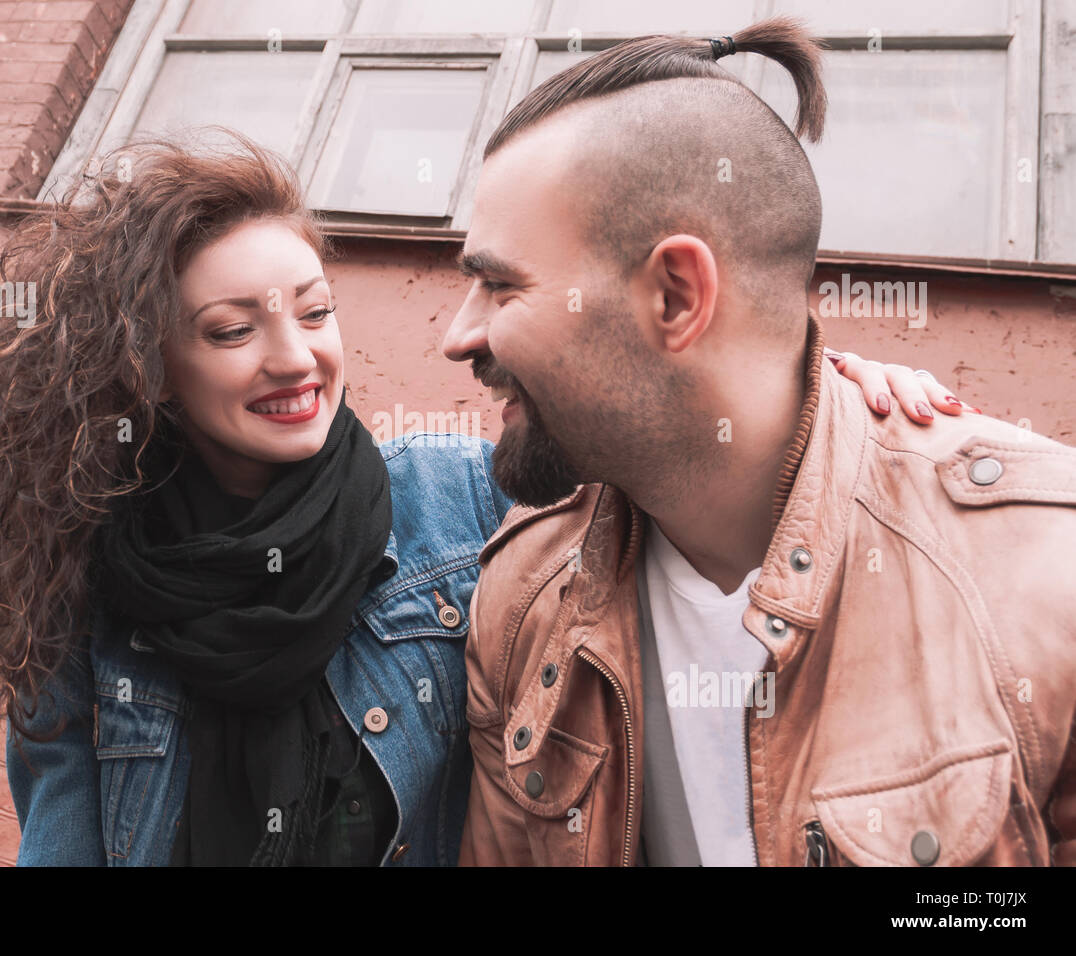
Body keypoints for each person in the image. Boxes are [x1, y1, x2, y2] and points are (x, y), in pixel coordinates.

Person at [0, 129, 959, 867]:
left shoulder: (458, 502)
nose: (294, 357)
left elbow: (679, 470)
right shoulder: (82, 594)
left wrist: (802, 392)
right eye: (231, 330)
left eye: (314, 311)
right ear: (150, 373)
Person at [443, 17, 1076, 866]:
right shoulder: (520, 595)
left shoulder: (1039, 578)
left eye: (497, 285)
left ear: (676, 296)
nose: (457, 337)